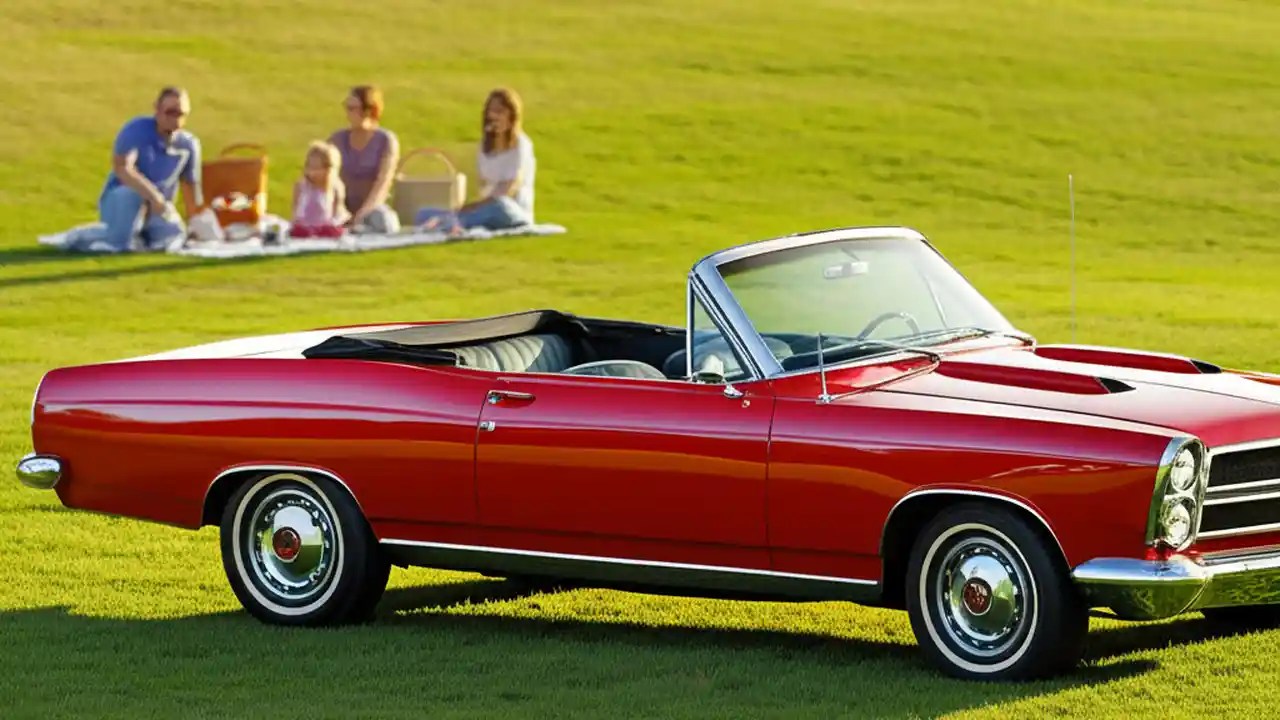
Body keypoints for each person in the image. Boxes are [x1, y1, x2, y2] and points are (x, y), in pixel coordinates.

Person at [414, 88, 536, 234]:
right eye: (492, 111)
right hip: (483, 209)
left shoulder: (521, 144)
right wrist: (467, 205)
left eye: (500, 111)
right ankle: (450, 221)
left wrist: (478, 206)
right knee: (423, 213)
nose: (494, 116)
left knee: (499, 205)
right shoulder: (484, 146)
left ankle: (453, 223)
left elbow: (509, 188)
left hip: (511, 210)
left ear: (512, 117)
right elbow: (479, 187)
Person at [98, 87, 202, 252]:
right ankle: (88, 237)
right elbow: (122, 168)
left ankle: (143, 237)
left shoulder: (188, 145)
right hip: (124, 202)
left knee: (174, 239)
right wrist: (153, 196)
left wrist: (195, 223)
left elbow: (189, 186)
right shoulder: (136, 130)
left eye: (180, 114)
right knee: (120, 240)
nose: (175, 120)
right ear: (157, 110)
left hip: (158, 208)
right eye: (170, 112)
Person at [328, 85, 401, 234]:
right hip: (340, 209)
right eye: (347, 107)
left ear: (369, 110)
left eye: (353, 108)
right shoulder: (337, 140)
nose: (349, 114)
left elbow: (383, 182)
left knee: (384, 221)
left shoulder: (385, 140)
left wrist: (363, 213)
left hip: (372, 209)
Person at [290, 141, 348, 238]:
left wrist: (333, 224)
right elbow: (296, 208)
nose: (312, 172)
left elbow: (338, 211)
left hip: (326, 225)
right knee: (298, 231)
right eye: (310, 167)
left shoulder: (335, 187)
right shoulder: (301, 186)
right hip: (305, 225)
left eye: (317, 168)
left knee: (332, 231)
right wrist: (297, 222)